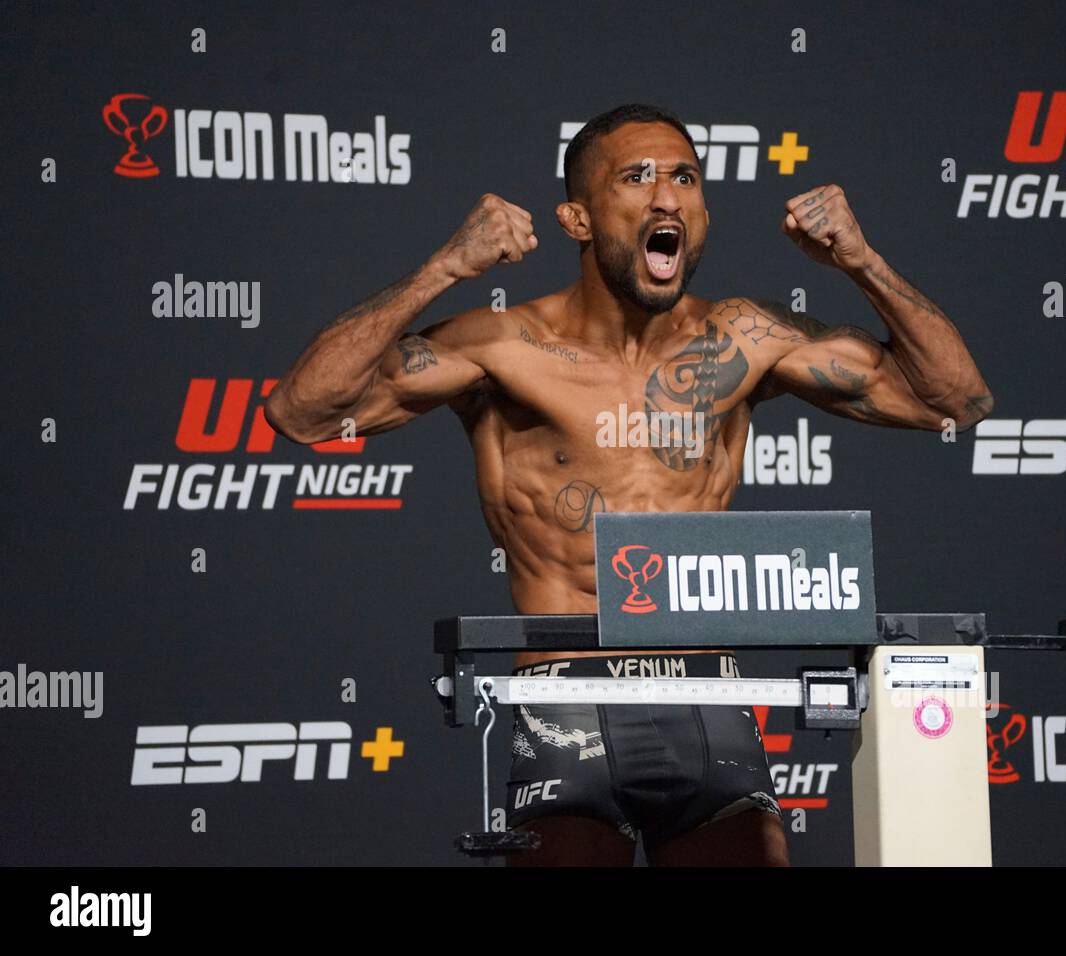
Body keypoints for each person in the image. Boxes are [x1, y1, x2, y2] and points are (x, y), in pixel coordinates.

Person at [265, 103, 993, 866]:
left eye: (684, 176)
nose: (667, 196)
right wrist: (445, 267)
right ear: (578, 218)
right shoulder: (504, 347)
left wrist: (861, 262)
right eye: (637, 177)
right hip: (563, 700)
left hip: (707, 698)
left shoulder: (743, 339)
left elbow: (954, 399)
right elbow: (304, 411)